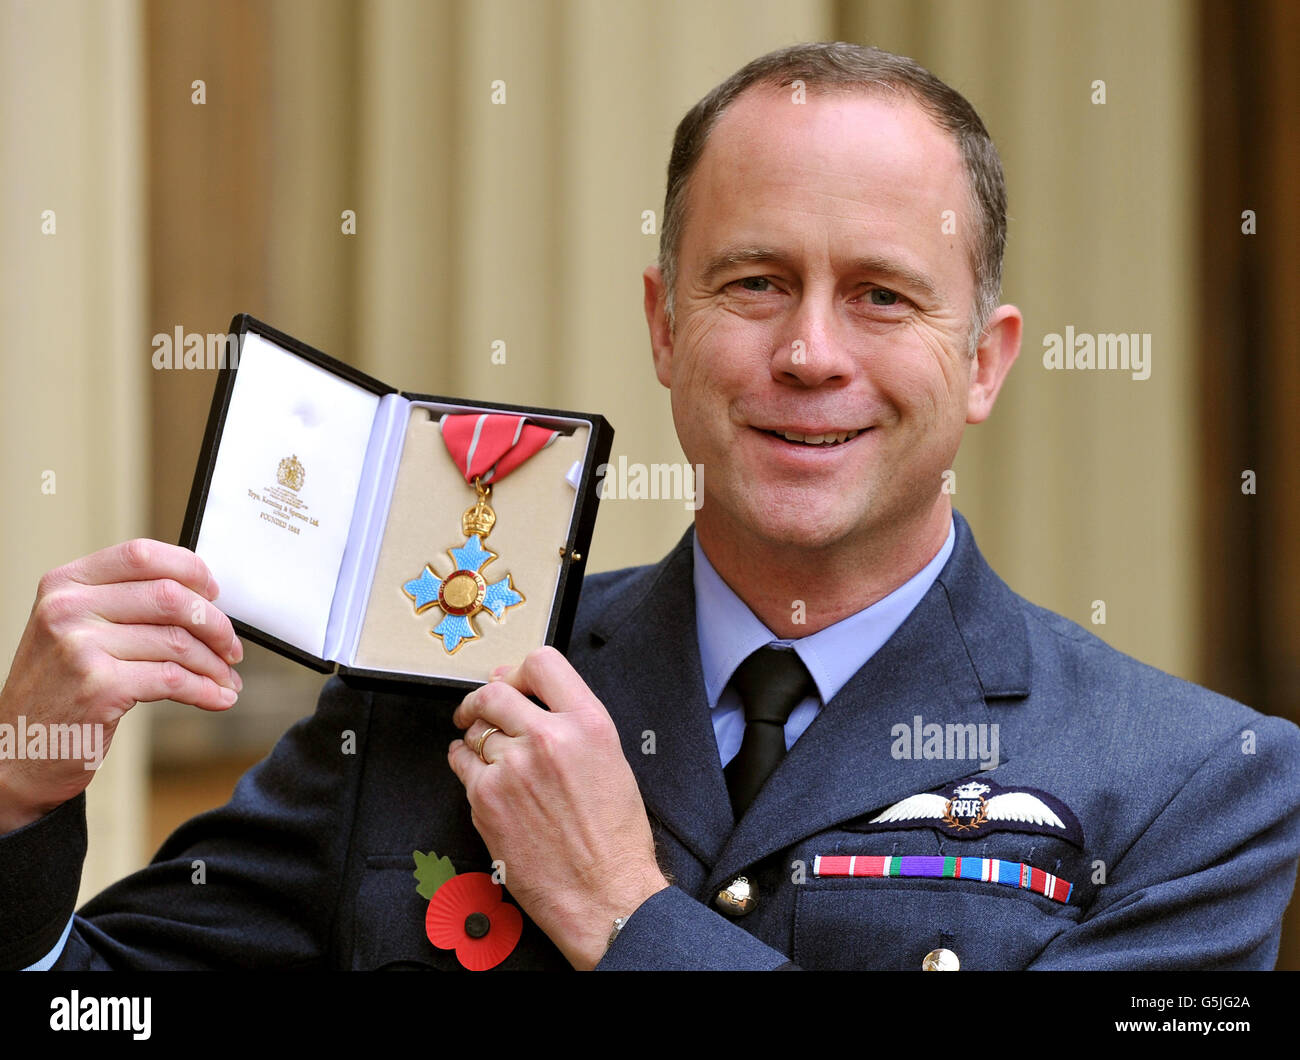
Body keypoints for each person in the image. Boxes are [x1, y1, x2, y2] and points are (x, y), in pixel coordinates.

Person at [3, 42, 1298, 972]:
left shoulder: (1196, 791)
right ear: (662, 324)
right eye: (752, 282)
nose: (808, 353)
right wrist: (18, 786)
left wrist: (629, 916)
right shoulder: (428, 700)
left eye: (883, 297)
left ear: (987, 360)